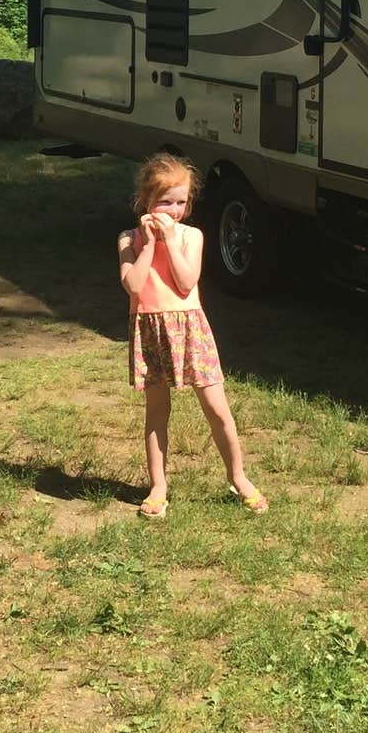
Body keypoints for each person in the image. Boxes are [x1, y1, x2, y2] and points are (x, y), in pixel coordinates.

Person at [117, 153, 267, 518]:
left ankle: (239, 477)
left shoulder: (192, 236)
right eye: (165, 201)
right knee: (157, 411)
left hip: (189, 327)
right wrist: (149, 245)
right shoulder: (128, 239)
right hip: (150, 329)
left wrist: (169, 241)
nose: (173, 210)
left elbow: (186, 283)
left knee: (217, 408)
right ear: (146, 201)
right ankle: (158, 487)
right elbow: (134, 285)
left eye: (181, 202)